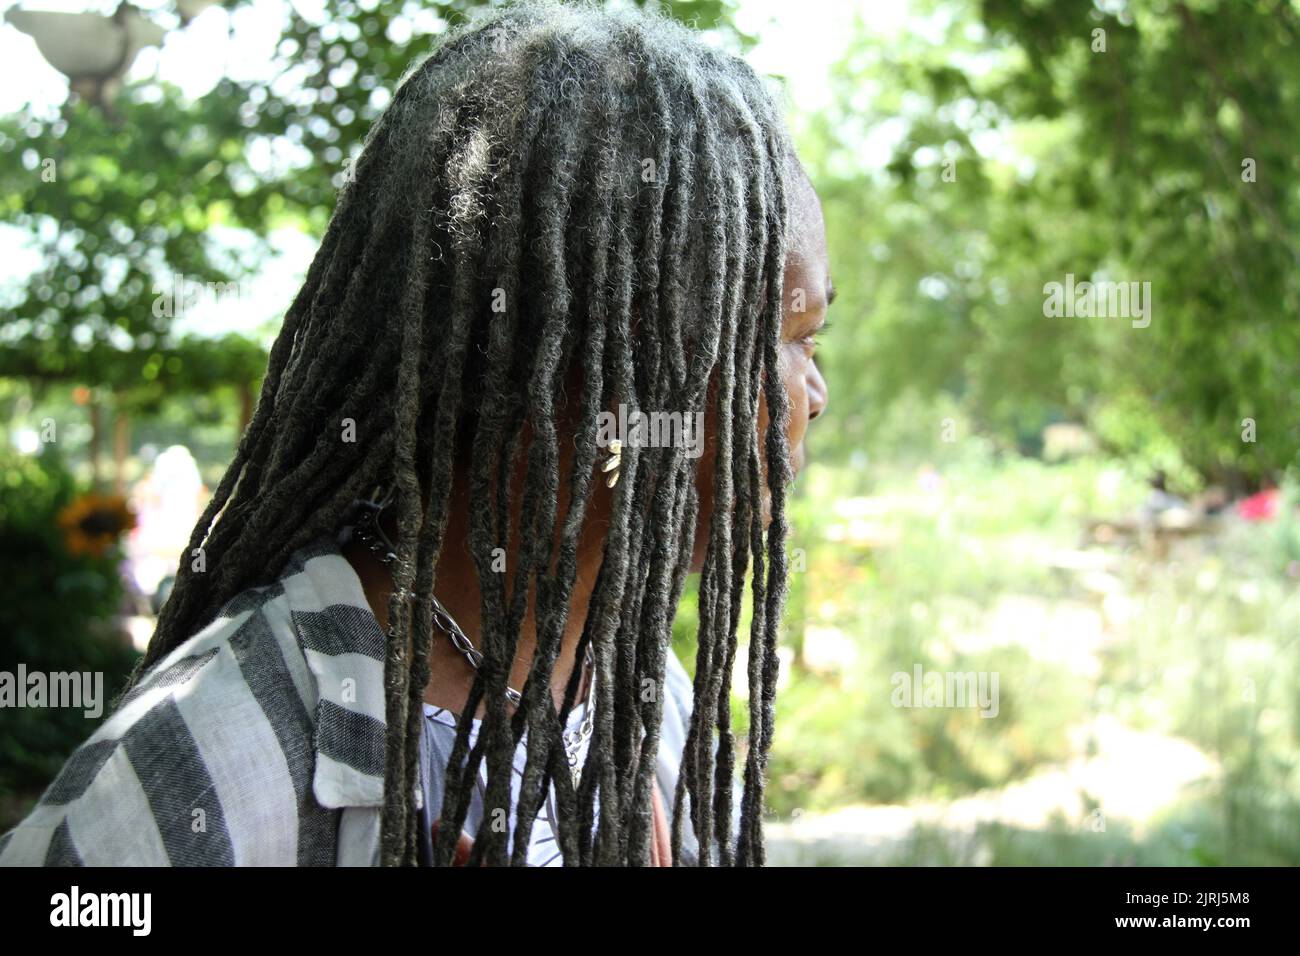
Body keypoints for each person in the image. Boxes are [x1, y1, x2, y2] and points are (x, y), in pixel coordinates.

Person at [0, 0, 830, 867]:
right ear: (614, 355)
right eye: (796, 336)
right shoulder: (204, 772)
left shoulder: (635, 692)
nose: (816, 394)